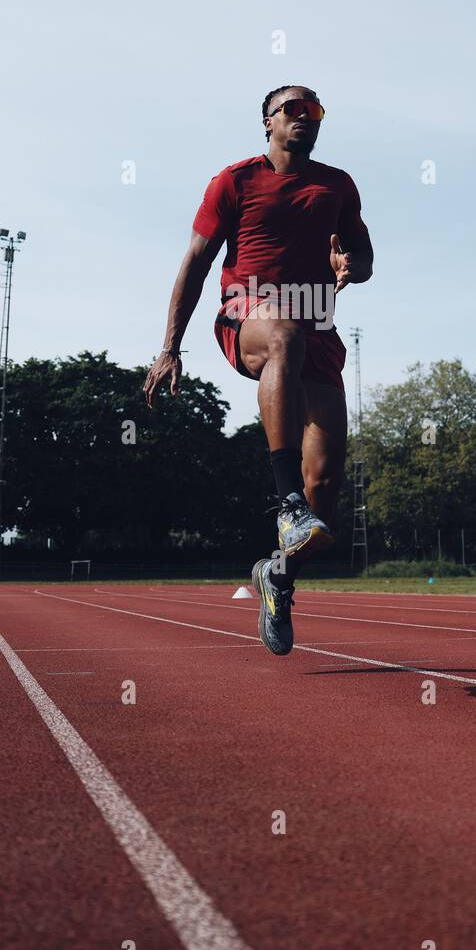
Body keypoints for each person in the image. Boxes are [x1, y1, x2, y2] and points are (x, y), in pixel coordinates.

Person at [143, 86, 373, 656]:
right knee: (283, 335)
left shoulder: (338, 185)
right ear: (268, 121)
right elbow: (195, 264)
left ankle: (276, 573)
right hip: (248, 313)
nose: (305, 118)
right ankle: (285, 502)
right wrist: (170, 347)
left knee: (326, 495)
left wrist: (353, 264)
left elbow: (364, 258)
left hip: (317, 329)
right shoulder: (235, 181)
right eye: (293, 110)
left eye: (314, 111)